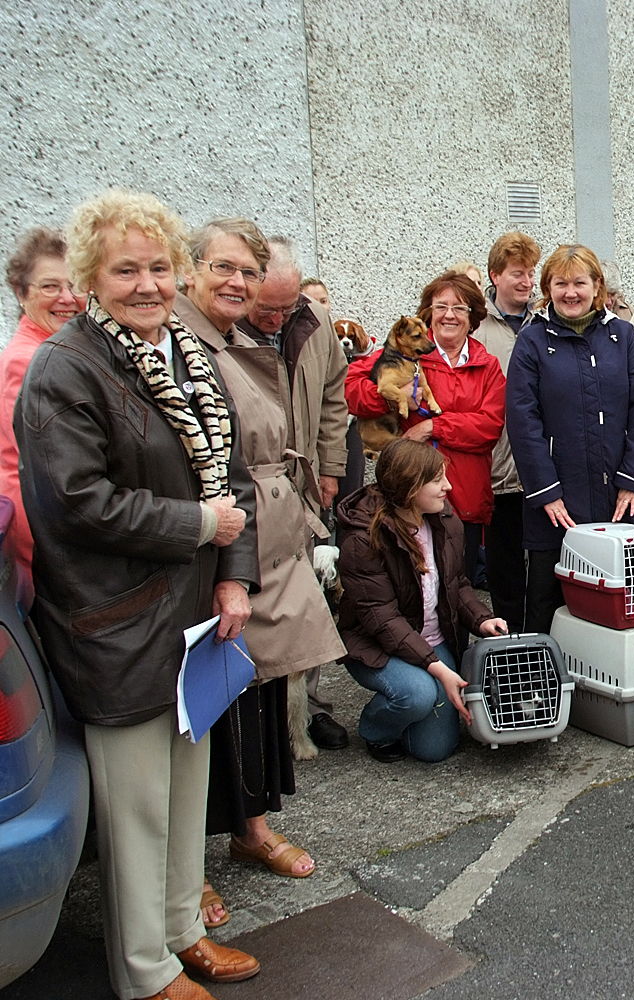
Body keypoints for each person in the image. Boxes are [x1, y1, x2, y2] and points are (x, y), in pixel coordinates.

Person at [17, 188, 261, 1000]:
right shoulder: (64, 367)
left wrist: (234, 576)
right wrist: (200, 527)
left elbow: (232, 480)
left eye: (159, 266)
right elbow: (78, 504)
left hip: (193, 617)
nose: (148, 284)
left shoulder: (186, 354)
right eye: (126, 270)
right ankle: (145, 970)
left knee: (187, 790)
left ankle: (183, 930)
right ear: (92, 276)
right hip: (114, 624)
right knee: (138, 810)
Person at [174, 218, 345, 926]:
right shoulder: (178, 341)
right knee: (202, 706)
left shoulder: (235, 337)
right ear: (190, 270)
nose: (238, 284)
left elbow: (325, 405)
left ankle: (251, 826)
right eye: (225, 269)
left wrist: (321, 476)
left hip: (264, 532)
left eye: (247, 271)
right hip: (212, 547)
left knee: (258, 693)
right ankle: (185, 867)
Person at [505, 244, 634, 632]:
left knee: (619, 602)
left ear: (597, 286)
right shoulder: (532, 341)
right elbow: (522, 421)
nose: (570, 293)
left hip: (617, 499)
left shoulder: (623, 336)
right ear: (547, 288)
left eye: (579, 283)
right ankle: (543, 671)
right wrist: (546, 492)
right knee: (547, 603)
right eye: (560, 284)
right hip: (555, 504)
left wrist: (633, 480)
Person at [239, 236, 352, 750]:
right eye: (267, 308)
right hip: (251, 488)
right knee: (257, 604)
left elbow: (333, 398)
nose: (276, 318)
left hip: (303, 484)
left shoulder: (316, 320)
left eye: (287, 308)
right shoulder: (223, 329)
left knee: (308, 599)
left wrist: (331, 467)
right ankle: (260, 715)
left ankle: (310, 709)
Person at [337, 439, 508, 761]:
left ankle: (412, 714)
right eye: (437, 480)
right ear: (410, 487)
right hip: (377, 646)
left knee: (434, 750)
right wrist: (439, 669)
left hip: (431, 640)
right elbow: (383, 620)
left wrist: (483, 619)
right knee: (417, 695)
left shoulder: (445, 521)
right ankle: (376, 729)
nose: (448, 487)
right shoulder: (362, 541)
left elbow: (457, 584)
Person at [346, 269, 505, 586]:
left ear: (473, 316)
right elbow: (351, 390)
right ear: (428, 312)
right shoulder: (404, 354)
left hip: (466, 497)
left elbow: (489, 427)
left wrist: (432, 427)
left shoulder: (487, 365)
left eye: (459, 308)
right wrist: (390, 398)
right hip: (411, 496)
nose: (449, 315)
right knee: (413, 590)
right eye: (441, 306)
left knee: (458, 588)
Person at [2, 228, 81, 578]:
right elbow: (40, 462)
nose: (67, 298)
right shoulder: (28, 361)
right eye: (50, 287)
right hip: (43, 532)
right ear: (21, 294)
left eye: (74, 285)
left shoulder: (58, 351)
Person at [476, 232, 541, 633]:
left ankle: (545, 648)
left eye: (531, 273)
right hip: (497, 471)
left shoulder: (545, 320)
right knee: (505, 574)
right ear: (495, 275)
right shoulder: (475, 326)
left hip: (541, 470)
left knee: (545, 575)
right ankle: (510, 649)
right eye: (518, 273)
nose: (527, 282)